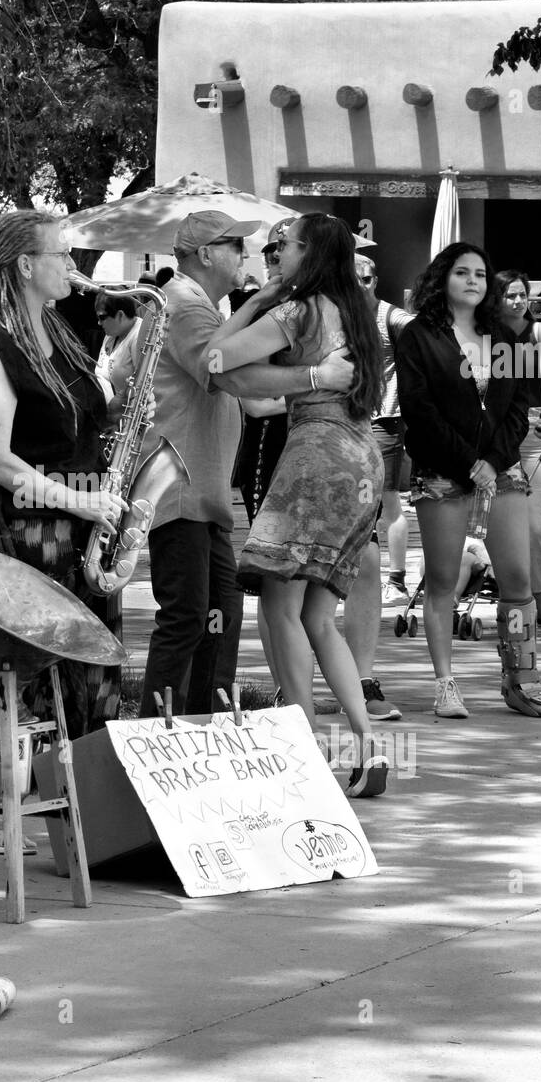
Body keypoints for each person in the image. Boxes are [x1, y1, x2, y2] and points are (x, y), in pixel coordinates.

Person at [138, 210, 357, 720]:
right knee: (189, 617)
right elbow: (227, 375)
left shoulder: (201, 308)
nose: (253, 254)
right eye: (236, 244)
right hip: (180, 484)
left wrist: (319, 393)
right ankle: (157, 736)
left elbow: (251, 396)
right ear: (207, 254)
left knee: (219, 615)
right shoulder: (186, 307)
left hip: (203, 488)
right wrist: (314, 375)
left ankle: (202, 732)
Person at [208, 213, 387, 797]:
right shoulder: (357, 311)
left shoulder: (297, 309)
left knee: (277, 606)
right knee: (316, 614)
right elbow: (254, 391)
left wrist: (258, 298)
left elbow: (217, 359)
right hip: (362, 459)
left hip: (316, 457)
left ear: (310, 254)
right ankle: (368, 746)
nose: (273, 254)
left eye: (283, 246)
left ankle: (302, 748)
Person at [0, 209, 129, 748]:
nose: (73, 266)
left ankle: (81, 810)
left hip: (80, 528)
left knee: (92, 676)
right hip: (24, 533)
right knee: (35, 680)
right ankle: (13, 805)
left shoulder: (54, 331)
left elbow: (67, 422)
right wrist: (79, 501)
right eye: (62, 253)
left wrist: (127, 408)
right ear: (26, 265)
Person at [395, 242, 541, 718]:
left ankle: (522, 680)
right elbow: (419, 410)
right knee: (443, 580)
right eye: (462, 272)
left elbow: (521, 407)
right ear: (442, 278)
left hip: (501, 469)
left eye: (481, 275)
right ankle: (446, 685)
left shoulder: (504, 336)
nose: (473, 281)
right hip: (443, 470)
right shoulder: (419, 336)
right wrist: (470, 462)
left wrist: (493, 459)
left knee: (518, 578)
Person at [496, 269, 541, 624]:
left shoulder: (540, 332)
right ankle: (507, 595)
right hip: (495, 438)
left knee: (538, 525)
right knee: (491, 522)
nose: (518, 302)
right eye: (510, 295)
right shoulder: (484, 334)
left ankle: (539, 600)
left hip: (534, 436)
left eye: (522, 295)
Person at [355, 255, 413, 603]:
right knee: (360, 503)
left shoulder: (391, 316)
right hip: (352, 423)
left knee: (387, 502)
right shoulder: (343, 317)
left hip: (385, 421)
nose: (360, 285)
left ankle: (397, 580)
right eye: (353, 279)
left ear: (375, 280)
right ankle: (362, 577)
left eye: (365, 279)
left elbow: (426, 339)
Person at [94, 291, 142, 397]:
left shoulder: (139, 336)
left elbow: (140, 389)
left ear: (120, 315)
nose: (99, 323)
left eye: (102, 317)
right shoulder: (112, 333)